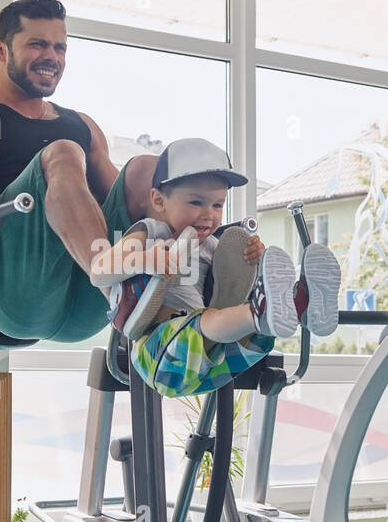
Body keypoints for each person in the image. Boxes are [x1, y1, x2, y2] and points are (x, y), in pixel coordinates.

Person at [0, 0, 162, 342]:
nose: (52, 57)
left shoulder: (82, 124)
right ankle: (115, 284)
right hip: (17, 296)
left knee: (148, 170)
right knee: (63, 154)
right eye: (38, 45)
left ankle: (204, 294)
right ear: (0, 50)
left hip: (87, 307)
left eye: (60, 48)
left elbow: (129, 201)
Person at [87, 138, 341, 398]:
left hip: (214, 359)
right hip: (160, 357)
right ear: (159, 200)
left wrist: (255, 263)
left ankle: (298, 305)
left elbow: (226, 291)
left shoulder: (213, 246)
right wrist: (144, 259)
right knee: (210, 320)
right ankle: (259, 311)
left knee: (247, 328)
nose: (208, 213)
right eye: (196, 203)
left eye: (217, 205)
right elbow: (98, 271)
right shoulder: (150, 233)